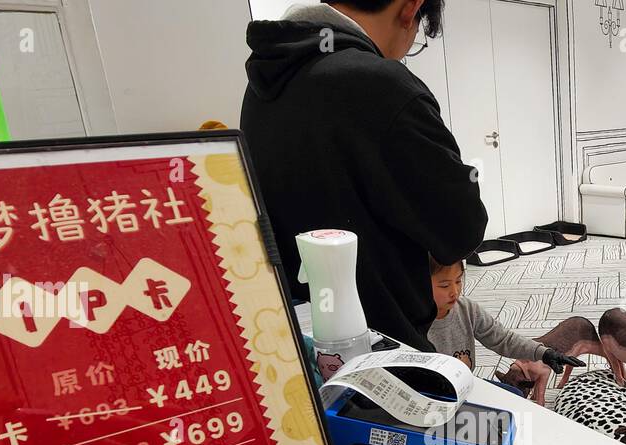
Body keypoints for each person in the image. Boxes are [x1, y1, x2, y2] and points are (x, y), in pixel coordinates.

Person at [240, 1, 487, 352]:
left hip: (301, 337)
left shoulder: (263, 87)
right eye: (417, 37)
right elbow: (461, 230)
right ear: (410, 8)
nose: (405, 51)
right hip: (383, 345)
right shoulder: (383, 84)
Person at [427, 258, 582, 388]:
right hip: (431, 395)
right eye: (445, 285)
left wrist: (544, 353)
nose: (455, 291)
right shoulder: (413, 325)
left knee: (515, 397)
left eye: (459, 280)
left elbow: (502, 339)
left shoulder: (466, 309)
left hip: (465, 385)